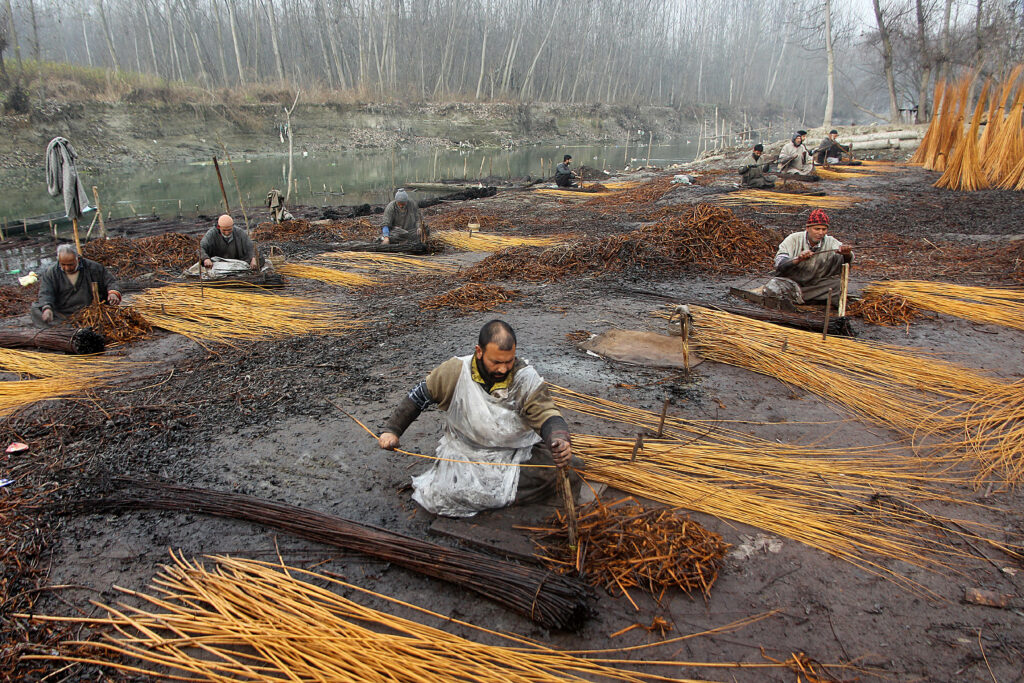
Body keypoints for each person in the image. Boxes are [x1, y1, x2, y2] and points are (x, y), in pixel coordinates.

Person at [378, 320, 583, 518]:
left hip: (514, 453)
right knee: (449, 491)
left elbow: (546, 413)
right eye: (496, 362)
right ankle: (500, 496)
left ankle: (498, 496)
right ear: (479, 351)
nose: (503, 369)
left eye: (508, 361)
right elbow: (419, 396)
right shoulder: (455, 371)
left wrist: (558, 438)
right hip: (466, 453)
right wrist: (392, 430)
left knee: (572, 468)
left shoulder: (524, 378)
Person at [766, 209, 853, 304]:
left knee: (838, 284)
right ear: (807, 228)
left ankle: (801, 298)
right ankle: (809, 298)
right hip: (790, 283)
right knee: (774, 288)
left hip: (815, 285)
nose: (821, 233)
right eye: (817, 229)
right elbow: (780, 264)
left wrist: (846, 253)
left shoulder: (831, 242)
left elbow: (846, 261)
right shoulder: (793, 239)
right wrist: (798, 259)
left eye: (824, 229)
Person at [31, 244, 121, 328]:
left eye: (70, 264)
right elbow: (46, 292)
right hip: (63, 312)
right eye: (63, 264)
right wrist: (47, 308)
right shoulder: (51, 272)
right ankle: (64, 325)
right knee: (35, 308)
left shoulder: (93, 267)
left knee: (107, 315)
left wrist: (112, 292)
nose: (67, 268)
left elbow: (110, 281)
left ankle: (74, 326)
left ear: (77, 259)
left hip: (89, 310)